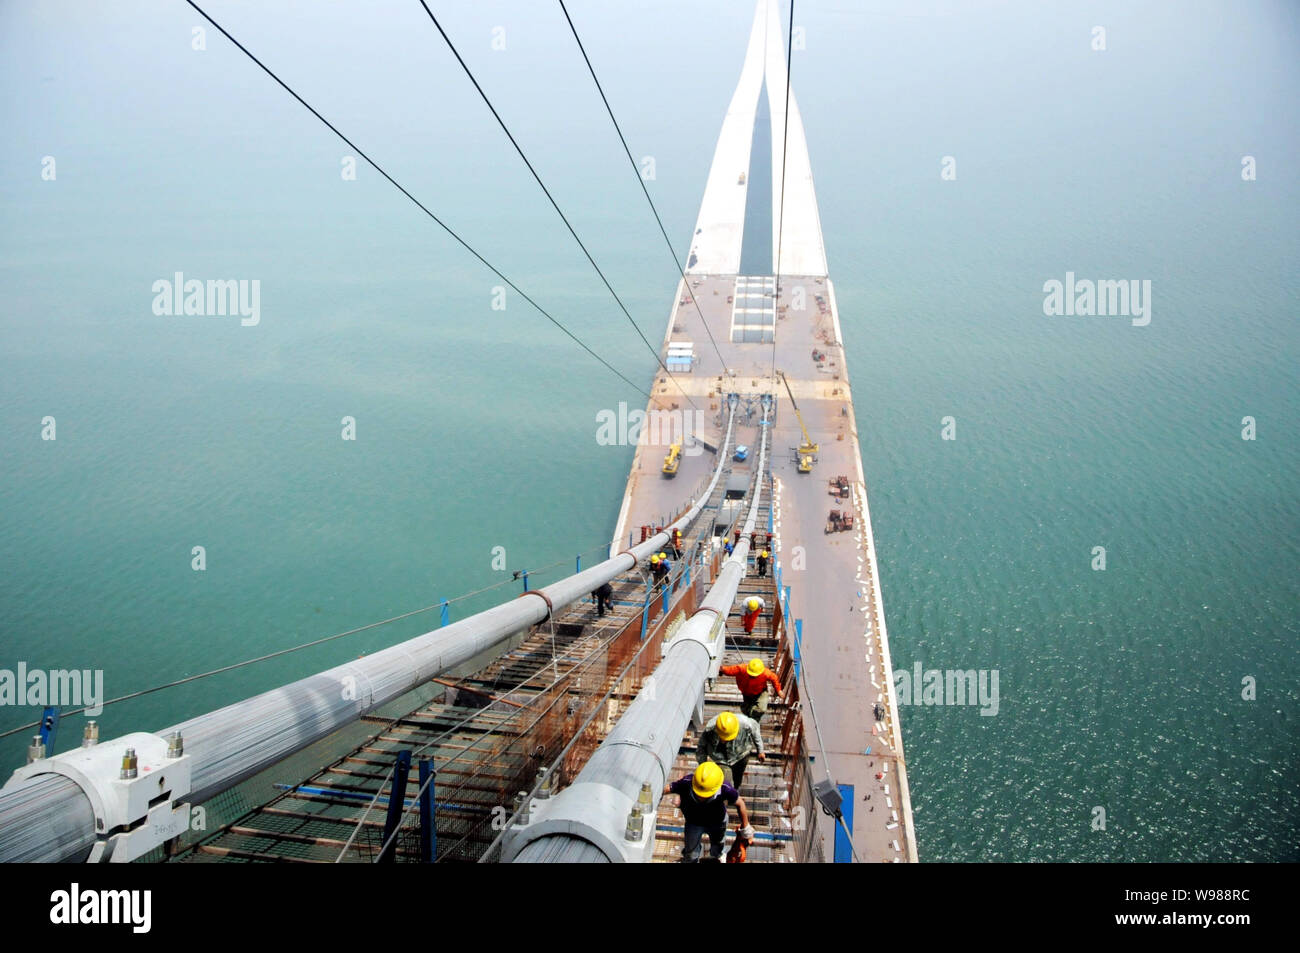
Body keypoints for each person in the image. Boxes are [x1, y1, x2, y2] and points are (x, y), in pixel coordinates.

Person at [663, 762, 752, 863]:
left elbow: (740, 803)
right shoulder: (687, 782)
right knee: (691, 851)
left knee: (718, 844)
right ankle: (691, 860)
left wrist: (746, 826)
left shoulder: (724, 787)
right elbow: (669, 788)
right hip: (694, 822)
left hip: (717, 822)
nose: (702, 796)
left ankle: (716, 856)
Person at [695, 710, 764, 790]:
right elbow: (701, 747)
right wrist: (703, 767)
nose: (724, 741)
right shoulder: (711, 727)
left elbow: (756, 732)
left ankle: (735, 791)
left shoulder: (746, 723)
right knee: (725, 783)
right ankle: (726, 794)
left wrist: (760, 750)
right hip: (721, 759)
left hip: (741, 755)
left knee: (737, 777)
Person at [718, 657, 783, 722]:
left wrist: (779, 690)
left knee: (761, 709)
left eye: (755, 675)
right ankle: (750, 715)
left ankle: (753, 720)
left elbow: (774, 678)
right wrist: (721, 670)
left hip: (760, 692)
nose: (753, 676)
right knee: (747, 710)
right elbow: (729, 670)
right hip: (746, 693)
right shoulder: (742, 669)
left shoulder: (765, 673)